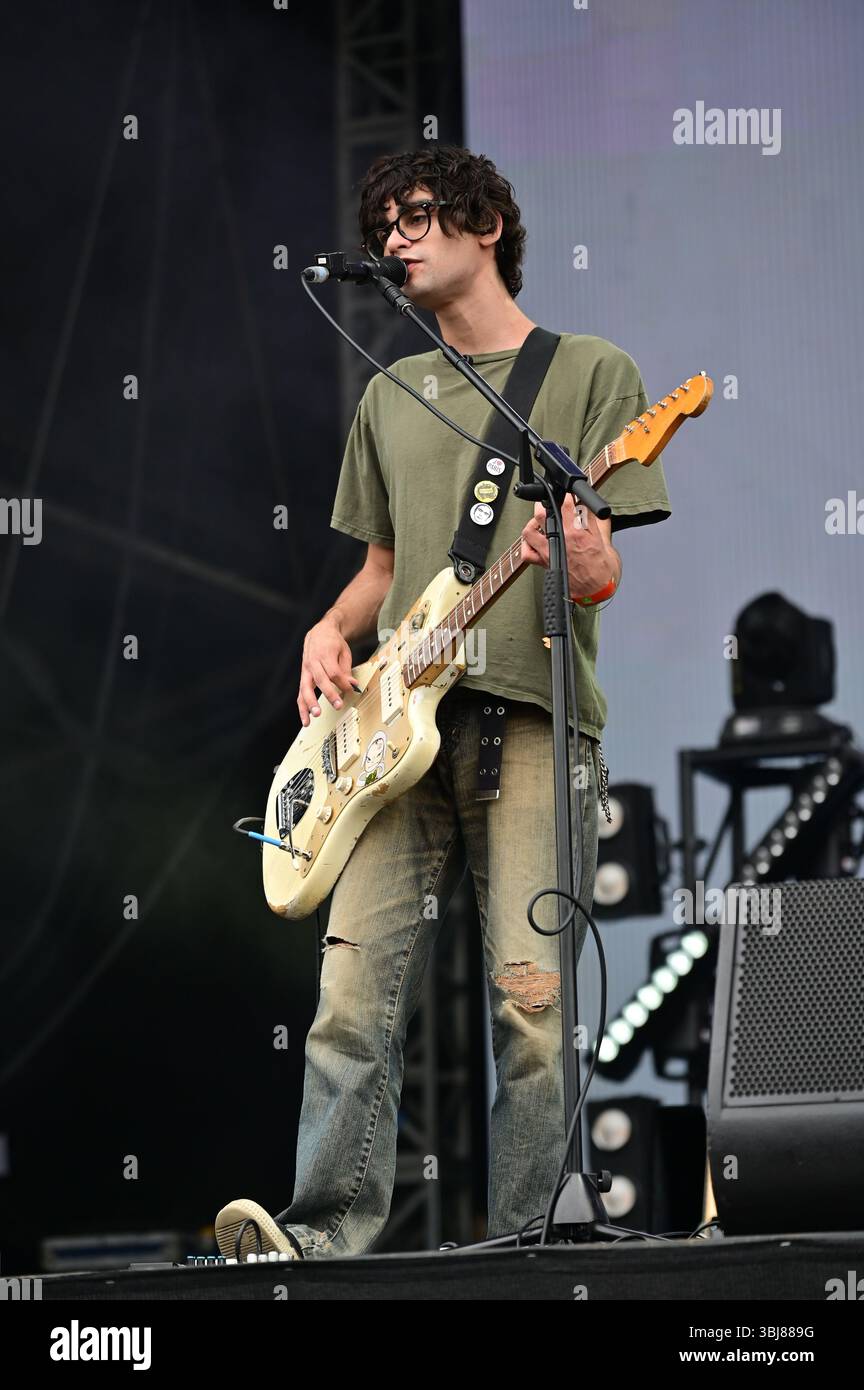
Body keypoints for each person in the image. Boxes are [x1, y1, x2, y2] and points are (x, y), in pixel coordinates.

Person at [215, 145, 671, 1261]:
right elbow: (383, 569)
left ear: (485, 227)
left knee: (529, 1002)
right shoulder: (386, 393)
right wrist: (329, 629)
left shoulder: (587, 371)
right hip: (389, 741)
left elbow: (601, 568)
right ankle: (320, 1235)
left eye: (419, 217)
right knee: (348, 997)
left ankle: (528, 1241)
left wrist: (571, 550)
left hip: (527, 716)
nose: (397, 240)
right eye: (385, 226)